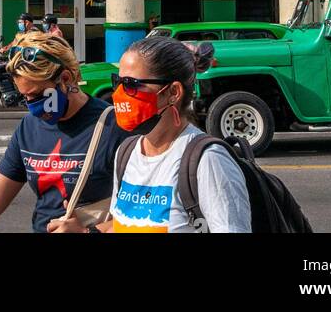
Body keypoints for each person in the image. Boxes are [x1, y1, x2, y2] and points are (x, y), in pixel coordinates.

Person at [49, 36, 252, 234]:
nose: (119, 93)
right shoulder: (127, 152)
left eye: (131, 84)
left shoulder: (208, 160)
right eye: (117, 81)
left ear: (173, 92)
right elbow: (120, 225)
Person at [0, 31, 127, 234]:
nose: (32, 106)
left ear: (65, 79)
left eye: (38, 95)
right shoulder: (29, 127)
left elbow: (149, 216)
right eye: (25, 98)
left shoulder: (115, 128)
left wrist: (89, 232)